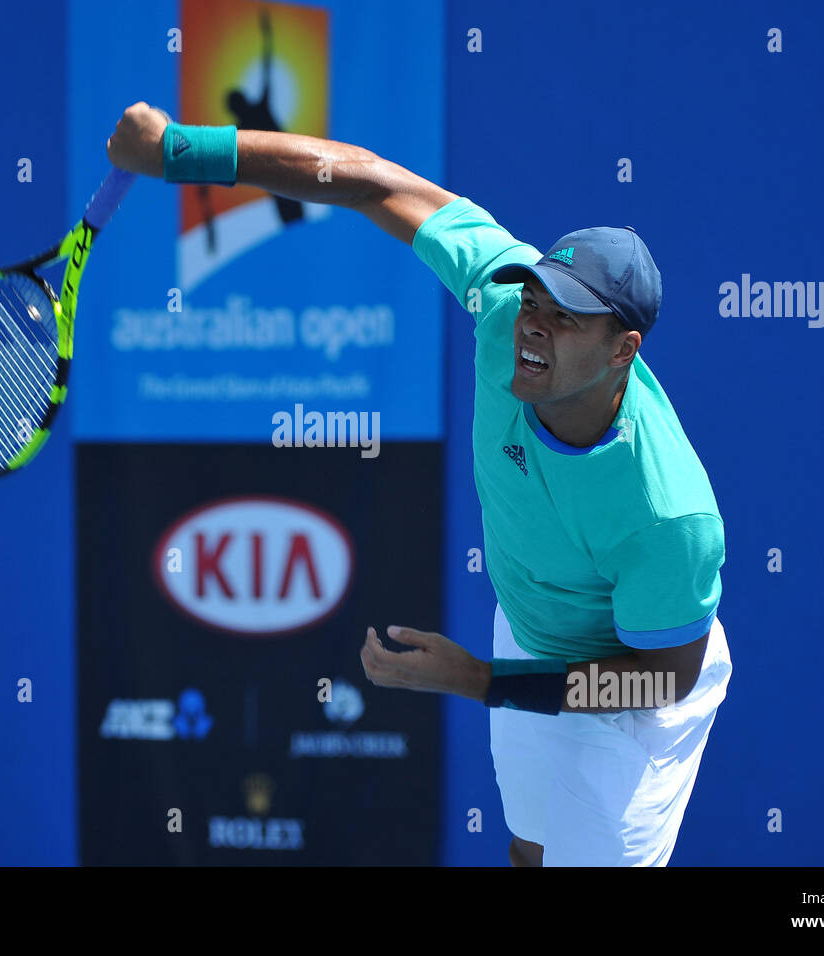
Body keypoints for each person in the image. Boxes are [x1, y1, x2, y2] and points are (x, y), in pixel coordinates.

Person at [106, 102, 733, 866]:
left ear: (622, 350)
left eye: (566, 317)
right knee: (532, 850)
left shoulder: (667, 515)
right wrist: (183, 150)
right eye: (534, 297)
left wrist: (478, 680)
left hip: (638, 678)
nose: (533, 323)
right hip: (535, 636)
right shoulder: (502, 310)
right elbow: (369, 183)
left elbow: (658, 681)